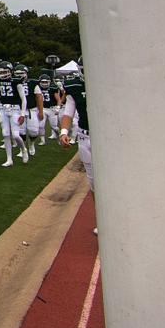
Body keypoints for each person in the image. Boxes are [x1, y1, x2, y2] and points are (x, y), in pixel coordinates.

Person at [58, 67, 95, 232]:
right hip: (85, 137)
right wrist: (64, 133)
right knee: (94, 183)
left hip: (106, 139)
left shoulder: (107, 82)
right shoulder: (74, 86)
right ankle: (101, 219)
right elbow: (68, 113)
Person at [0, 61, 29, 167]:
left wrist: (22, 114)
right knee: (6, 134)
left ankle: (24, 149)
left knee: (16, 135)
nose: (2, 74)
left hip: (15, 109)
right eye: (0, 72)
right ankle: (9, 159)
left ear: (10, 71)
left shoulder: (17, 81)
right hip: (3, 109)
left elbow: (23, 99)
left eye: (4, 72)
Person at [38, 73, 60, 145]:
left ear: (49, 82)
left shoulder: (52, 89)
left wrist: (58, 108)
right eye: (43, 82)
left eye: (46, 82)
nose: (44, 84)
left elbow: (58, 100)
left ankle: (59, 136)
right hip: (43, 109)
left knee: (54, 127)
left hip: (52, 109)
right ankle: (42, 140)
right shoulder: (37, 88)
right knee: (41, 125)